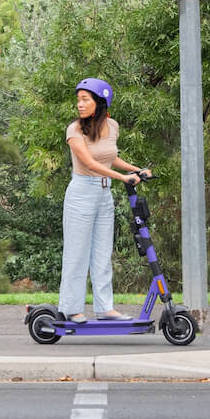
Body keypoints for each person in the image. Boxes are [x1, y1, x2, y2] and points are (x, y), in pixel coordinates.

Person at [58, 77, 148, 322]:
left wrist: (137, 170)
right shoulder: (74, 130)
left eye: (85, 100)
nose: (79, 104)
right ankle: (71, 308)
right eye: (78, 100)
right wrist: (123, 178)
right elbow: (89, 162)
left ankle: (105, 308)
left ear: (99, 102)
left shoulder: (113, 126)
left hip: (104, 195)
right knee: (77, 254)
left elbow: (110, 158)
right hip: (81, 194)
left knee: (102, 253)